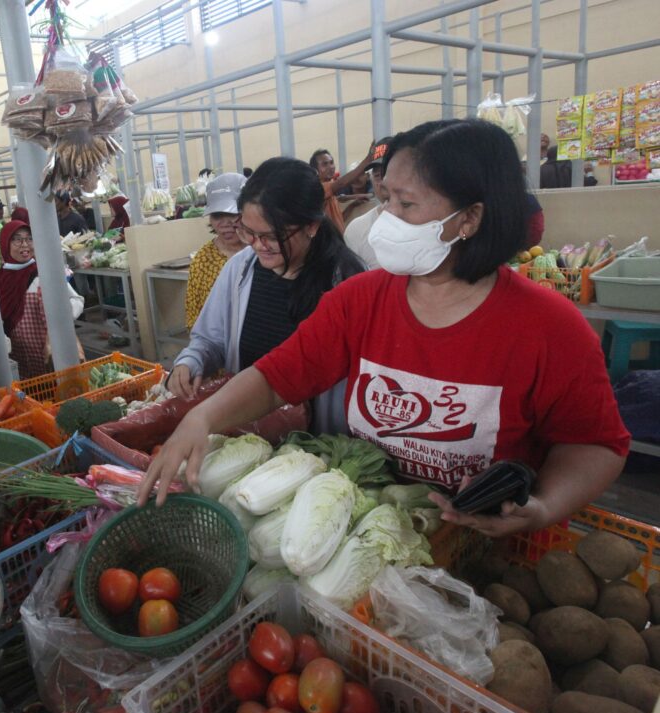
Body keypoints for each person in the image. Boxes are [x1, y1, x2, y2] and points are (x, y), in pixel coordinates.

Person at [140, 119, 630, 541]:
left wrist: (541, 508)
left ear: (471, 218)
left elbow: (595, 444)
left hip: (485, 546)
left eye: (407, 204)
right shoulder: (360, 301)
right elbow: (277, 377)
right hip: (372, 530)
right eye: (386, 198)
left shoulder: (549, 327)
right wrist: (201, 419)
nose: (386, 217)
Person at [167, 157, 365, 434]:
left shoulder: (346, 284)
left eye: (271, 236)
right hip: (249, 433)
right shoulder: (240, 268)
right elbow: (210, 339)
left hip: (318, 446)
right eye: (248, 232)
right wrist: (192, 361)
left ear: (311, 225)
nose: (257, 245)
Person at [0, 220, 84, 378]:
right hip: (16, 358)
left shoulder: (44, 274)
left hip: (50, 356)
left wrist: (60, 315)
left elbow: (77, 300)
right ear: (5, 243)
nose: (25, 245)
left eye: (29, 238)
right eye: (17, 239)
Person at [184, 172, 247, 330]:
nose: (226, 223)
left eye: (232, 214)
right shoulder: (204, 260)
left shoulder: (264, 253)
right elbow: (194, 316)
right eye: (218, 216)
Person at [343, 136, 393, 269]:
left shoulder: (430, 224)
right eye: (377, 175)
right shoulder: (357, 230)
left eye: (389, 172)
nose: (383, 182)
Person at [310, 146, 377, 233]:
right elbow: (342, 183)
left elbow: (338, 220)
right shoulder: (319, 188)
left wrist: (352, 205)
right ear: (315, 170)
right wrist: (369, 159)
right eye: (325, 164)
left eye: (331, 162)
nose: (330, 167)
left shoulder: (330, 190)